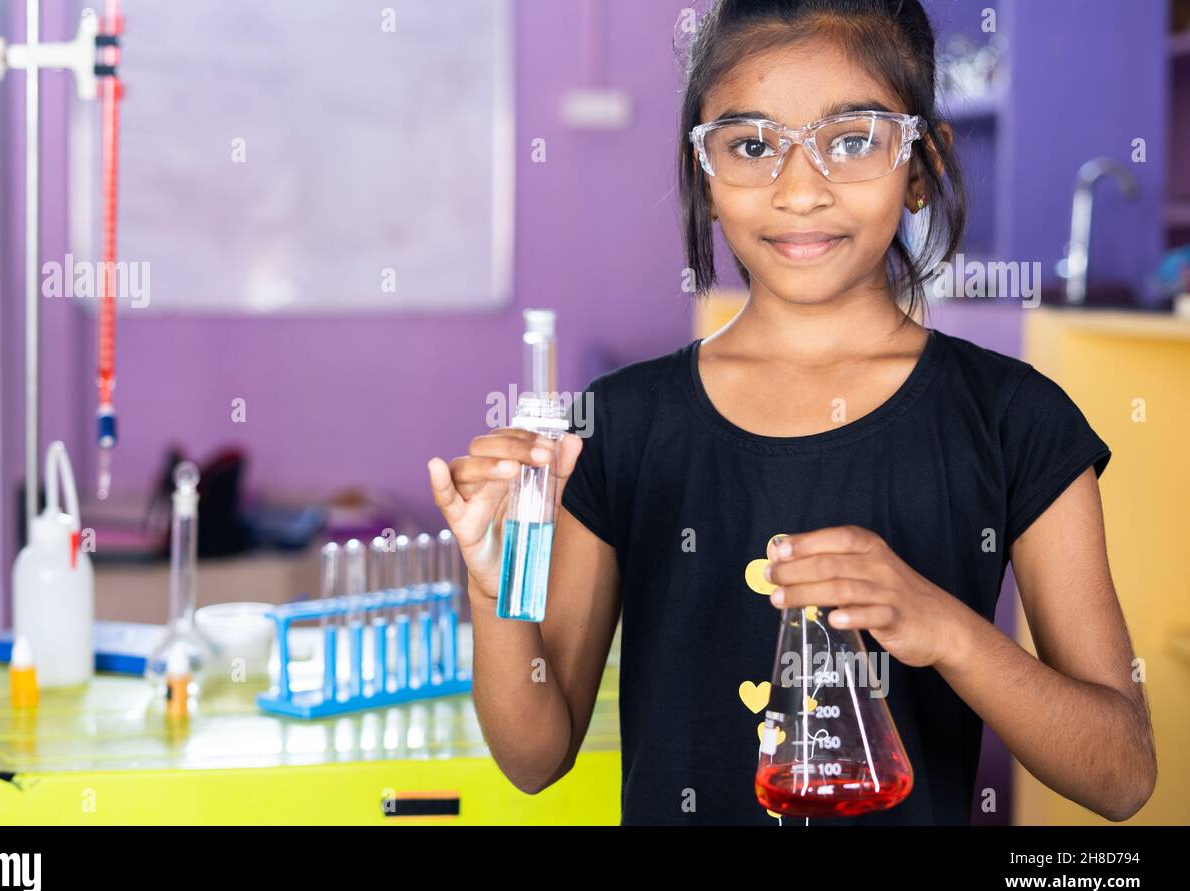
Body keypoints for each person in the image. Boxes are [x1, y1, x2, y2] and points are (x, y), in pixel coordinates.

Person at [427, 0, 1155, 825]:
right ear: (703, 174)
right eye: (750, 146)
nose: (800, 190)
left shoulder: (1015, 419)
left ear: (921, 166)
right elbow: (535, 758)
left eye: (851, 140)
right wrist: (494, 595)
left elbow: (1123, 773)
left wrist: (942, 627)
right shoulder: (617, 425)